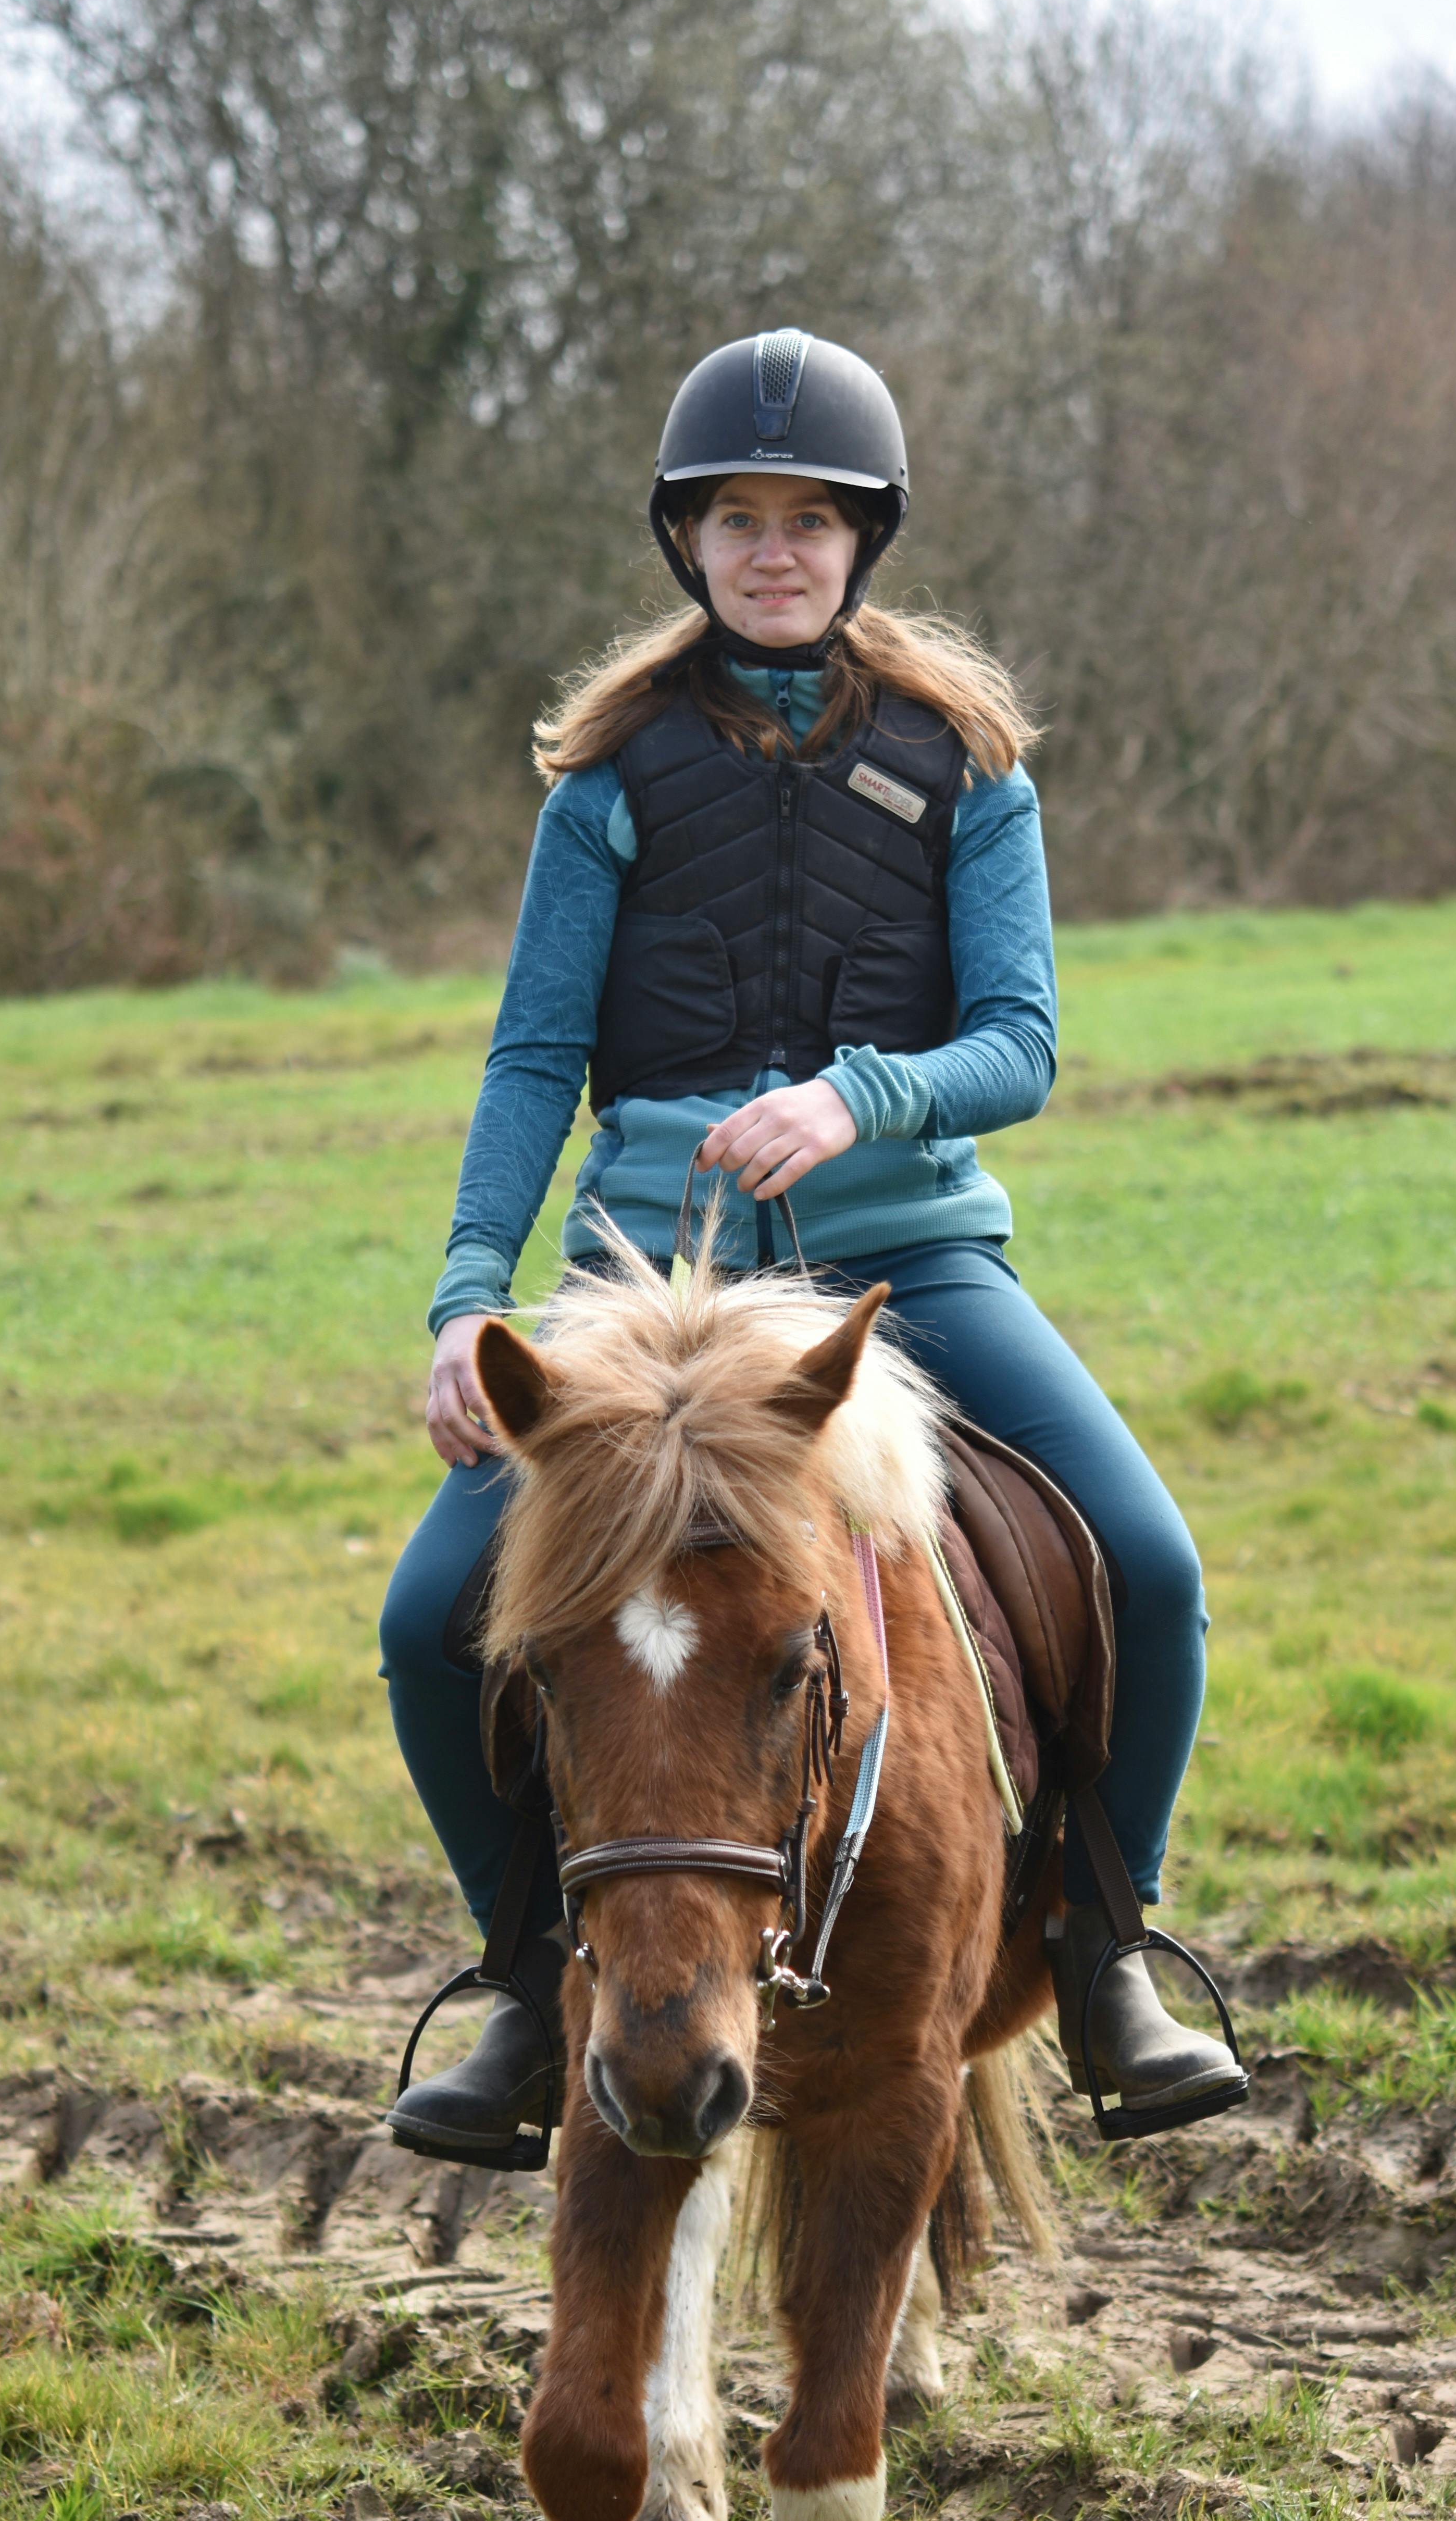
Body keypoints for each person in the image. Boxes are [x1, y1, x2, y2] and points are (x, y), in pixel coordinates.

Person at [378, 326, 1246, 2163]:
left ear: (865, 539)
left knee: (1152, 1565)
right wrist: (469, 1300)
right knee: (423, 1621)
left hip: (904, 1270)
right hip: (650, 1290)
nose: (774, 552)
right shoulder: (604, 784)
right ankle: (529, 1984)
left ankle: (1107, 1950)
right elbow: (534, 1060)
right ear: (686, 540)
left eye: (811, 521)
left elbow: (1023, 1044)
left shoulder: (969, 768)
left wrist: (862, 1099)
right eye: (738, 520)